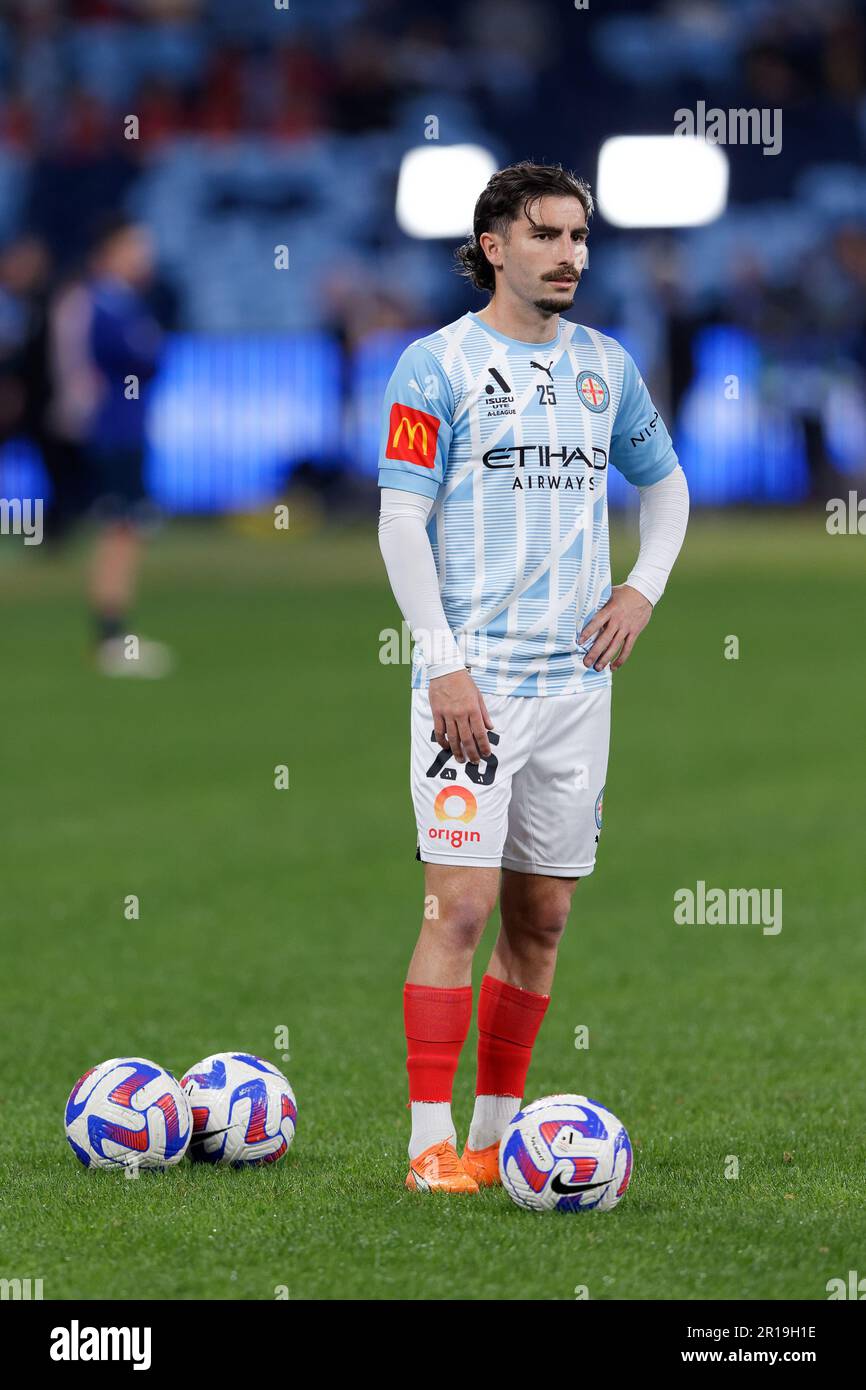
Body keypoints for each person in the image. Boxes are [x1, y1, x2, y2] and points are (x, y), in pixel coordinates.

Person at [377, 161, 690, 1193]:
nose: (570, 256)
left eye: (579, 237)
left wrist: (640, 589)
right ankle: (428, 1145)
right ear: (494, 245)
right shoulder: (435, 366)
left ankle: (495, 1136)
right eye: (547, 235)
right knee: (458, 909)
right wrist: (442, 665)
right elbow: (400, 521)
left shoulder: (605, 365)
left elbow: (666, 488)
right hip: (471, 690)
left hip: (575, 690)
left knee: (542, 918)